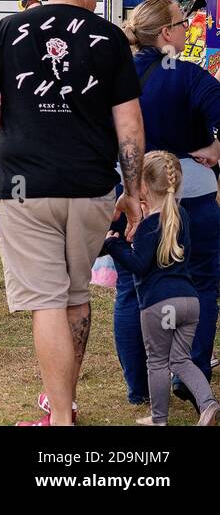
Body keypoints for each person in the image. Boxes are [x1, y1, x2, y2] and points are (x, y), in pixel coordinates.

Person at [0, 0, 144, 427]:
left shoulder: (9, 28)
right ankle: (61, 403)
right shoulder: (109, 38)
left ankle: (61, 417)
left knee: (46, 299)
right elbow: (129, 127)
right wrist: (131, 191)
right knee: (75, 295)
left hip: (26, 185)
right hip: (90, 185)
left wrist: (18, 124)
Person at [112, 0, 220, 409]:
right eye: (182, 23)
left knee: (131, 288)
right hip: (190, 191)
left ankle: (139, 386)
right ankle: (188, 376)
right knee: (201, 284)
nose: (188, 29)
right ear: (165, 34)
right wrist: (215, 146)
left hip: (132, 193)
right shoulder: (189, 76)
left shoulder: (113, 78)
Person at [105, 152, 220, 425]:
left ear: (142, 187)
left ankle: (159, 419)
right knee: (181, 360)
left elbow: (139, 264)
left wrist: (114, 245)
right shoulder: (181, 217)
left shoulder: (147, 227)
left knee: (157, 362)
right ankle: (208, 403)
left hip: (159, 305)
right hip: (189, 302)